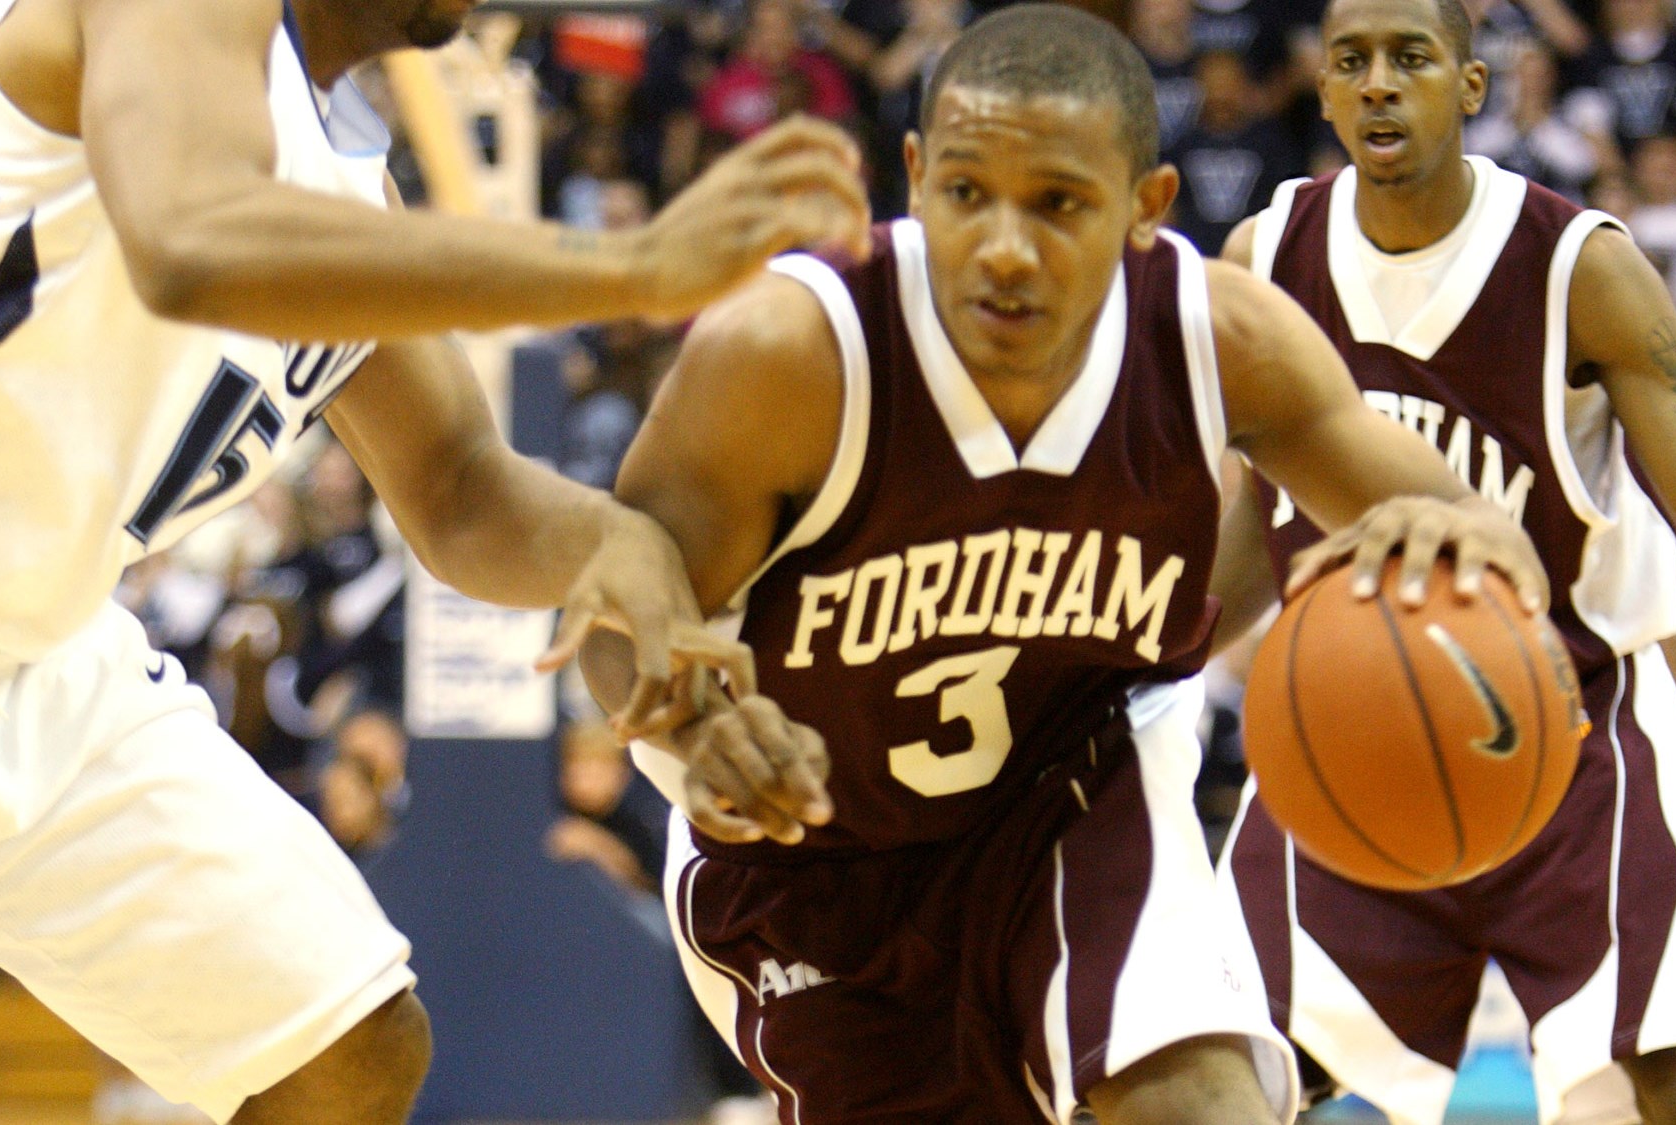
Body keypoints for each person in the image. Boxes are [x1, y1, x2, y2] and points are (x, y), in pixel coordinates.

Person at [583, 6, 1546, 1122]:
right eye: (964, 193)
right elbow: (612, 624)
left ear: (1144, 210)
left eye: (1055, 204)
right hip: (811, 857)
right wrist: (695, 727)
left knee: (1202, 1103)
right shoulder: (791, 354)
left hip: (1073, 796)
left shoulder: (1218, 341)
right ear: (912, 175)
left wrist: (1458, 546)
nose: (1002, 245)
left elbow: (1471, 524)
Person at [0, 0, 872, 1113]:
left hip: (36, 653)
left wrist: (615, 544)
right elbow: (192, 239)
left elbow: (460, 488)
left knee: (342, 1044)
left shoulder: (349, 188)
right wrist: (630, 265)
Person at [1216, 0, 1676, 1121]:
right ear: (1318, 91)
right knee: (1199, 1076)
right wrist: (1129, 684)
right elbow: (1246, 535)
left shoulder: (1577, 265)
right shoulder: (1262, 262)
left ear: (1471, 86)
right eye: (1350, 62)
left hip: (1570, 723)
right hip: (1346, 715)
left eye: (1408, 58)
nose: (1376, 85)